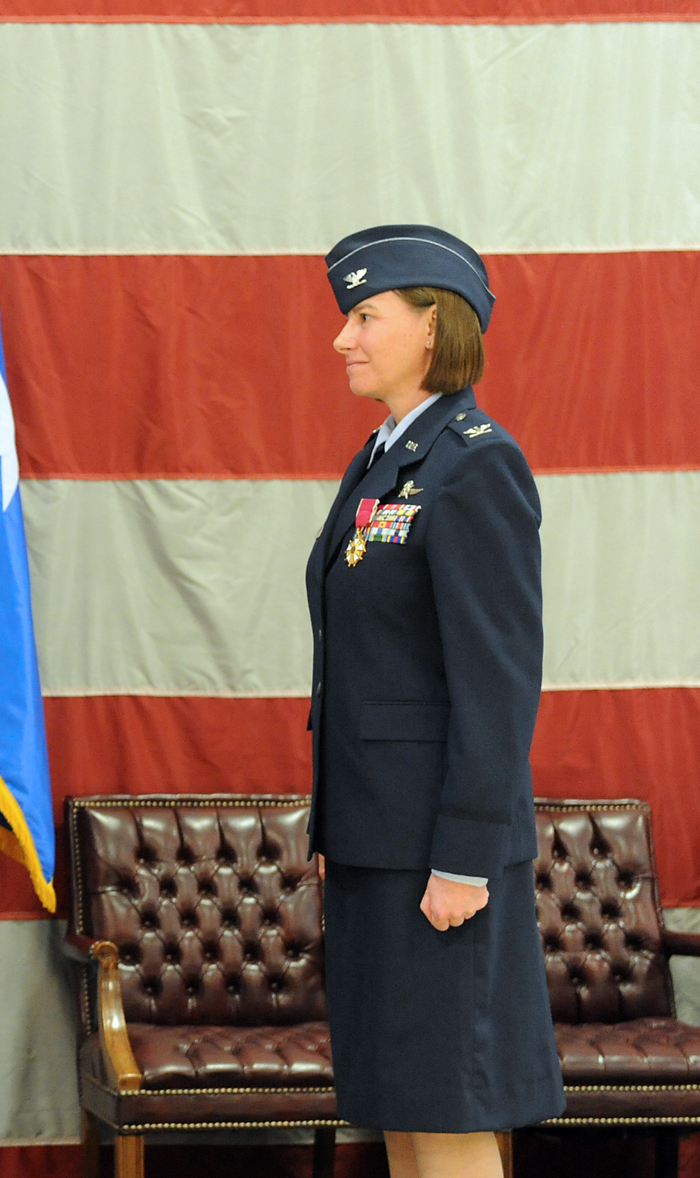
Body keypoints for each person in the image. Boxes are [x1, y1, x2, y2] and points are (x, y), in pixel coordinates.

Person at [306, 225, 565, 1178]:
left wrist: (464, 856)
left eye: (365, 316)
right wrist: (340, 827)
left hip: (436, 852)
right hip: (377, 841)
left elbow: (496, 682)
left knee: (449, 1107)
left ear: (431, 326)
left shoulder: (474, 463)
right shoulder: (383, 460)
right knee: (402, 1103)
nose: (343, 337)